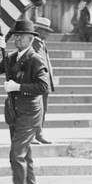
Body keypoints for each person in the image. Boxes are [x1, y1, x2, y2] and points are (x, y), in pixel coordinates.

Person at [0, 18, 52, 184]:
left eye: (21, 36)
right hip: (15, 112)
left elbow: (43, 86)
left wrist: (18, 86)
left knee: (16, 154)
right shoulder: (12, 57)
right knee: (24, 155)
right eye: (16, 36)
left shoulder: (35, 59)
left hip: (30, 113)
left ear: (31, 38)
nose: (17, 39)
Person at [32, 16, 56, 145]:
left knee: (43, 110)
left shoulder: (41, 43)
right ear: (38, 30)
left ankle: (39, 134)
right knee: (35, 109)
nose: (47, 33)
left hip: (45, 82)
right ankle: (31, 136)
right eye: (45, 31)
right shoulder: (33, 43)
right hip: (37, 82)